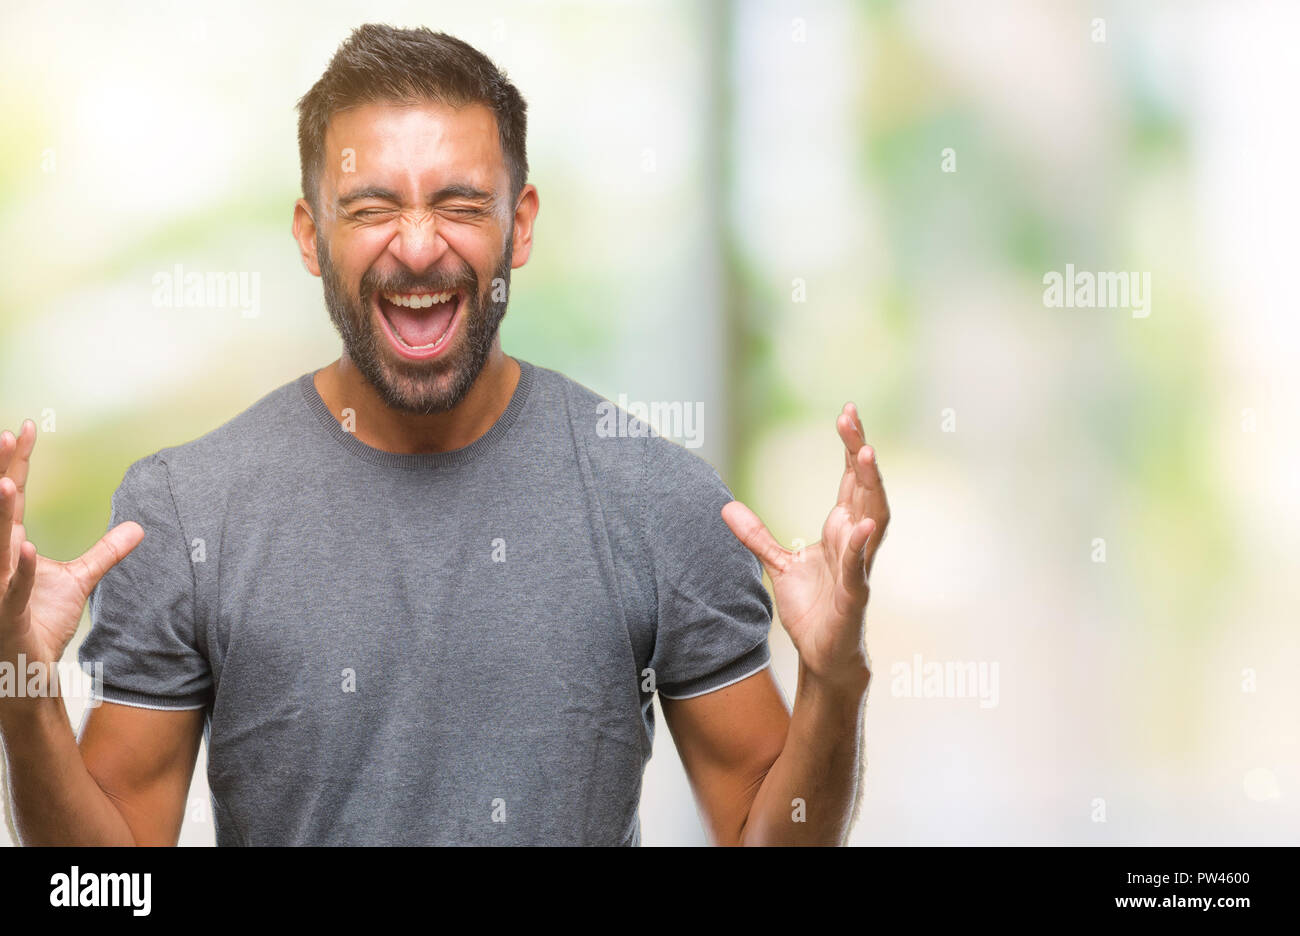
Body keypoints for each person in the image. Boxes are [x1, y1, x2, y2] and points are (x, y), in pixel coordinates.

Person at [0, 24, 889, 846]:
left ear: (521, 224)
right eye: (372, 206)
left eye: (461, 203)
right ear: (312, 235)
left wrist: (836, 680)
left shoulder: (661, 500)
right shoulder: (184, 513)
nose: (418, 247)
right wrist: (23, 691)